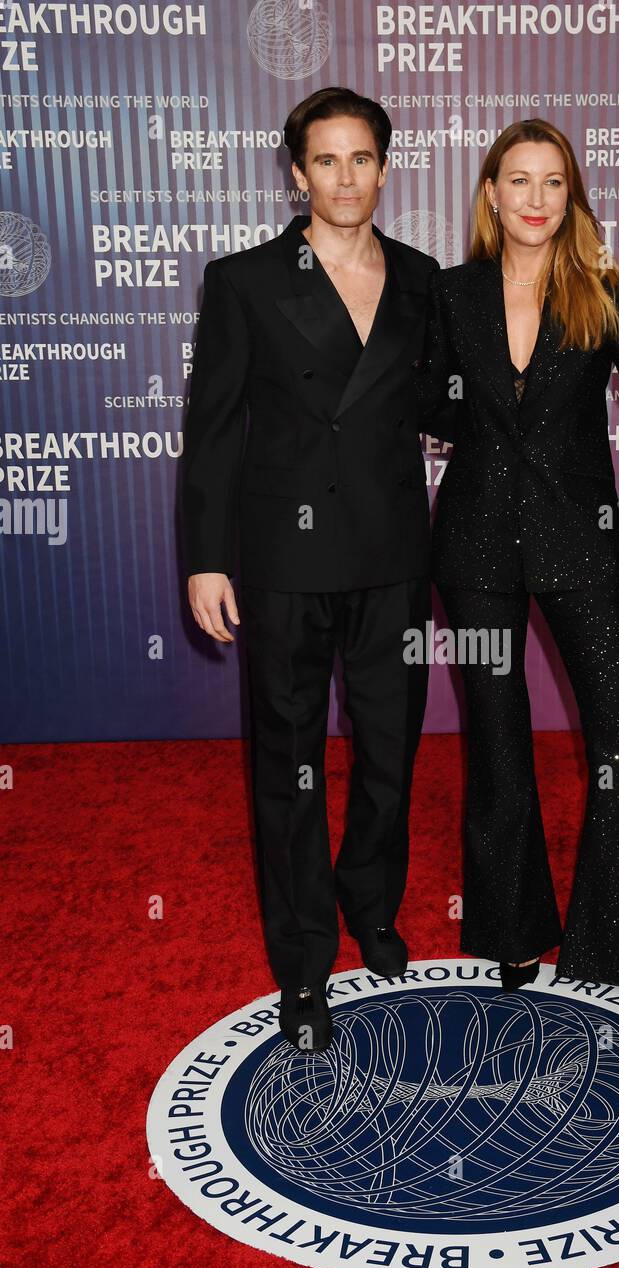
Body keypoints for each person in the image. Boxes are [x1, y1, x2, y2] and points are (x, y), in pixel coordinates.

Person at [181, 88, 446, 1052]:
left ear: (385, 166)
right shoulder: (245, 281)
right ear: (297, 173)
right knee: (290, 765)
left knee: (389, 749)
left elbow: (452, 407)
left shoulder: (424, 282)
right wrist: (208, 559)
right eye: (325, 161)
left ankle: (371, 906)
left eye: (361, 158)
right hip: (285, 562)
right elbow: (210, 433)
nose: (344, 178)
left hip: (391, 557)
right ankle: (302, 961)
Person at [414, 118, 619, 1016]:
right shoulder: (450, 297)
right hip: (476, 542)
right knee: (497, 738)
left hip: (583, 538)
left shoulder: (608, 291)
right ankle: (512, 932)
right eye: (517, 181)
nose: (534, 199)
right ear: (490, 194)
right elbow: (435, 409)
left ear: (573, 195)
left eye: (552, 182)